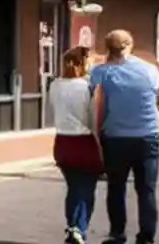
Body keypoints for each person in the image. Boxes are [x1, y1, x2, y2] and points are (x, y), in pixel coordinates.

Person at [90, 29, 159, 244]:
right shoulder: (150, 70)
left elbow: (94, 101)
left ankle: (117, 233)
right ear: (129, 45)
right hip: (147, 136)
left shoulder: (100, 72)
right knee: (146, 190)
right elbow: (154, 97)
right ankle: (146, 237)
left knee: (116, 187)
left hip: (115, 138)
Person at [50, 46, 102, 244]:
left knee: (73, 188)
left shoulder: (55, 85)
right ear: (84, 63)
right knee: (86, 189)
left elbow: (51, 111)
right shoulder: (88, 87)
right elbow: (93, 119)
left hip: (62, 141)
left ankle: (72, 226)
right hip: (84, 142)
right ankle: (79, 229)